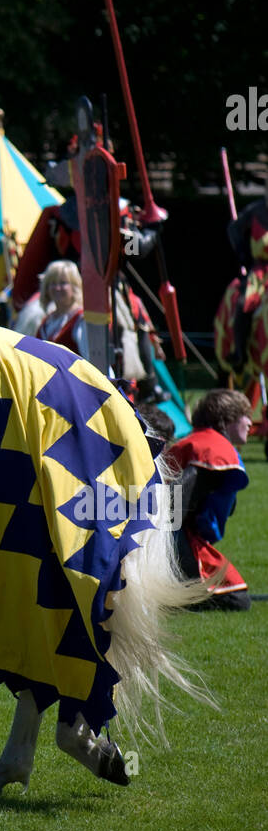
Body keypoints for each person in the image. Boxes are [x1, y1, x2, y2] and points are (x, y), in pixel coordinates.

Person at [164, 389, 252, 611]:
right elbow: (176, 500)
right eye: (245, 415)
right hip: (172, 535)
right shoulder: (214, 448)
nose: (251, 423)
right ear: (227, 420)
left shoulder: (201, 441)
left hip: (173, 532)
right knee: (238, 601)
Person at [227, 175, 268, 371]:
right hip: (261, 272)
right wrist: (244, 254)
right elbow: (234, 230)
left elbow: (135, 248)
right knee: (244, 303)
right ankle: (240, 353)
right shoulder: (256, 210)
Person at [36, 260, 88, 356]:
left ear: (74, 286)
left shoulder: (81, 320)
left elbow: (89, 359)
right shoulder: (46, 323)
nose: (57, 288)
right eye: (53, 283)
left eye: (63, 283)